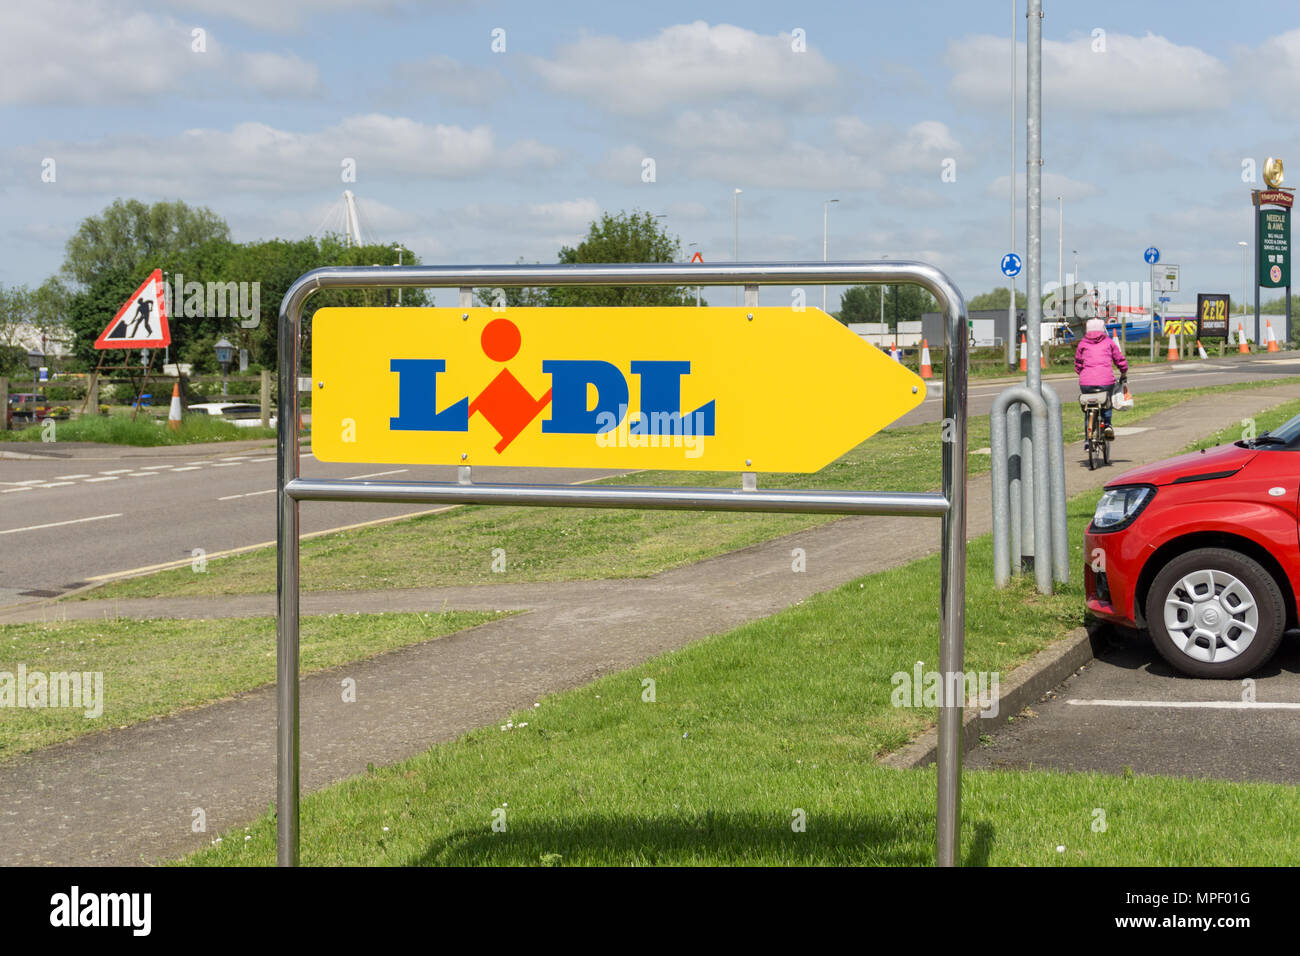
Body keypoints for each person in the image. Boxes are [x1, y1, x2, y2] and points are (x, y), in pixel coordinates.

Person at [1075, 317, 1128, 439]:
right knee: (1107, 403)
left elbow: (1078, 363)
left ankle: (1088, 440)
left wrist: (1081, 373)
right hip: (1105, 381)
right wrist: (1123, 372)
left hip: (1086, 383)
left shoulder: (1082, 343)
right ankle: (1108, 425)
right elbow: (1119, 360)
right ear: (1103, 329)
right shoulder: (1109, 342)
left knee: (1089, 408)